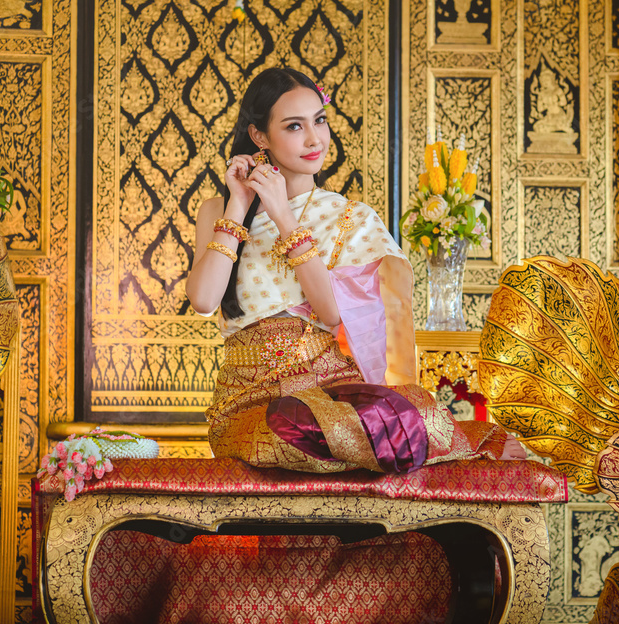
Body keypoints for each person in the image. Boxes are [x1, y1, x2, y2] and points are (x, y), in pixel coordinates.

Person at [186, 68, 523, 473]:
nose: (315, 139)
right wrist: (238, 205)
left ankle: (438, 438)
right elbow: (204, 300)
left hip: (328, 389)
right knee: (291, 431)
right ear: (260, 137)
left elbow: (330, 313)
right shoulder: (218, 209)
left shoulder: (351, 218)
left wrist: (283, 218)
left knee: (396, 409)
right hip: (247, 404)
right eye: (295, 126)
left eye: (320, 121)